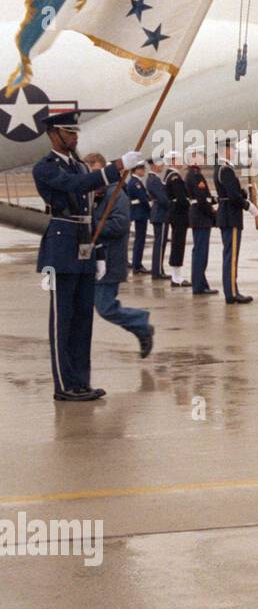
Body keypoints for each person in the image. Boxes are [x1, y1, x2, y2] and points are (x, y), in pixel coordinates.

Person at [30, 110, 141, 401]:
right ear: (53, 134)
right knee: (62, 321)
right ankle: (63, 386)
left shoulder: (79, 166)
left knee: (82, 321)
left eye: (76, 132)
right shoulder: (45, 168)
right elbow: (77, 187)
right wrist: (117, 167)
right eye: (69, 132)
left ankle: (80, 382)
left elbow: (91, 212)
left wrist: (98, 252)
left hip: (84, 247)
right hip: (60, 248)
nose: (74, 136)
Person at [88, 156, 154, 358]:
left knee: (106, 307)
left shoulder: (116, 195)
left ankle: (140, 323)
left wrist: (90, 225)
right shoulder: (92, 195)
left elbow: (120, 225)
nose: (93, 178)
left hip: (109, 260)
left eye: (96, 172)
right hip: (90, 262)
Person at [214, 135, 254, 305]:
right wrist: (248, 206)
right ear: (225, 150)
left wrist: (243, 191)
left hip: (227, 214)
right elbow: (232, 196)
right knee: (231, 256)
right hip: (231, 216)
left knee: (230, 255)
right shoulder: (226, 169)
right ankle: (231, 292)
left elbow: (231, 192)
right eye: (233, 149)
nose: (235, 152)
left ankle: (232, 289)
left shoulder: (222, 168)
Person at [185, 147, 218, 296]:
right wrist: (212, 213)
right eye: (201, 156)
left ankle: (201, 283)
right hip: (200, 216)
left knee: (199, 251)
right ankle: (199, 286)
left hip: (198, 215)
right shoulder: (196, 175)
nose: (204, 158)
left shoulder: (194, 174)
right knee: (200, 253)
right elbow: (202, 199)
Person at [163, 152, 190, 288]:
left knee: (177, 244)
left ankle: (176, 276)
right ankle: (176, 277)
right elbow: (181, 199)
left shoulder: (171, 175)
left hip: (176, 214)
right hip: (179, 214)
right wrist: (190, 203)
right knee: (178, 245)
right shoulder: (174, 177)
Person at [145, 159, 170, 280]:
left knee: (160, 243)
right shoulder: (154, 180)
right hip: (160, 213)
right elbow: (163, 198)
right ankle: (157, 271)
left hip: (158, 213)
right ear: (154, 165)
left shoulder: (154, 179)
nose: (163, 166)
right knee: (160, 244)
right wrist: (172, 206)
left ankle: (158, 269)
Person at [124, 162, 150, 274]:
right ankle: (137, 265)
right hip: (139, 213)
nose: (144, 171)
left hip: (140, 213)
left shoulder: (136, 181)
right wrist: (150, 208)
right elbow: (144, 199)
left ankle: (137, 263)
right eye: (142, 169)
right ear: (136, 170)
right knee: (140, 240)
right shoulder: (135, 183)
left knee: (140, 239)